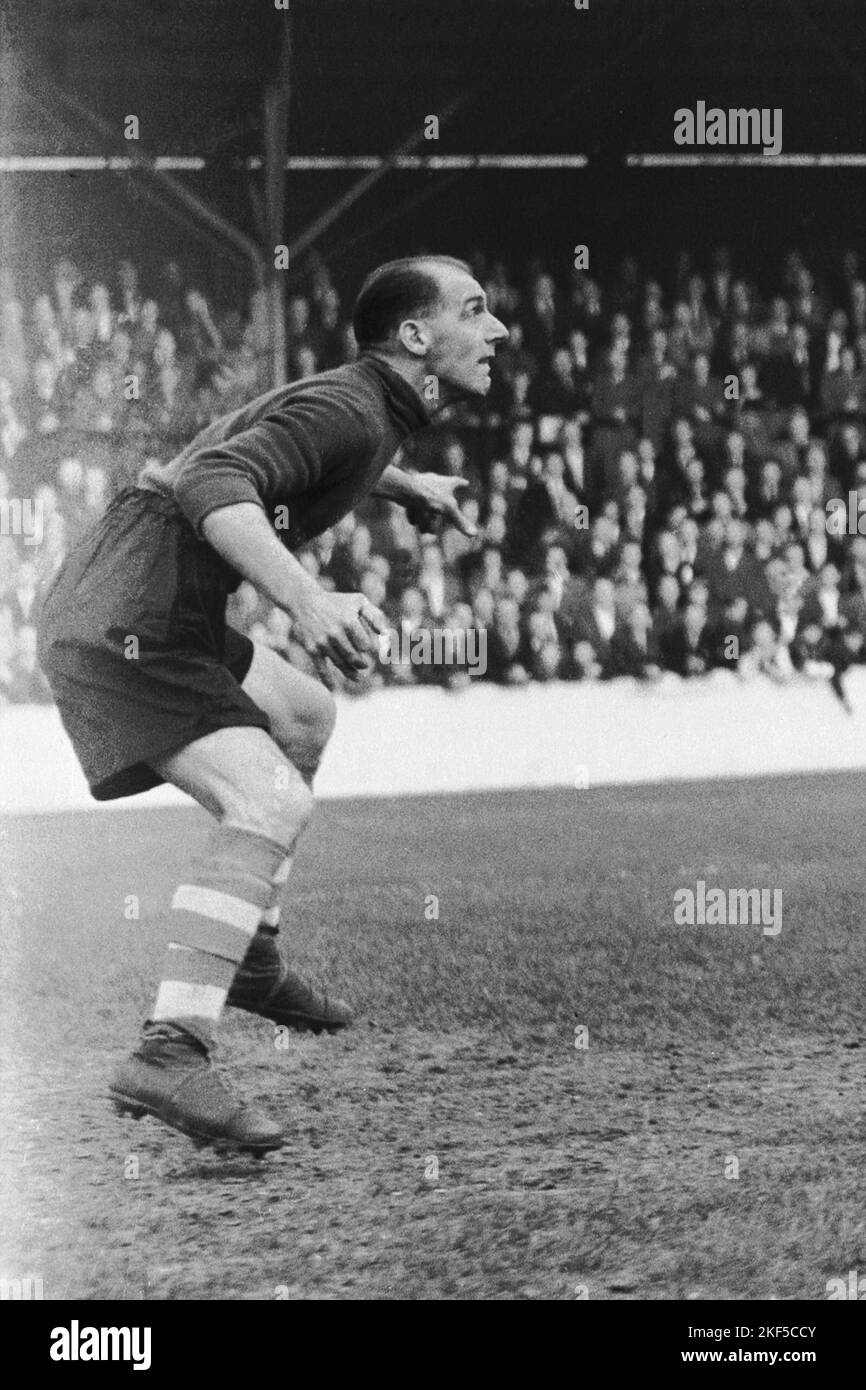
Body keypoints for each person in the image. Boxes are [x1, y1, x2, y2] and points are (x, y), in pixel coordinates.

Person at [38, 255, 508, 1154]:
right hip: (131, 606)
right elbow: (213, 481)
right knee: (271, 800)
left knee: (303, 716)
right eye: (476, 311)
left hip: (147, 593)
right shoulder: (351, 408)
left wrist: (410, 487)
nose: (497, 332)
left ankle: (251, 957)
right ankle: (170, 1050)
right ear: (415, 337)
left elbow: (278, 454)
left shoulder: (367, 410)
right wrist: (309, 601)